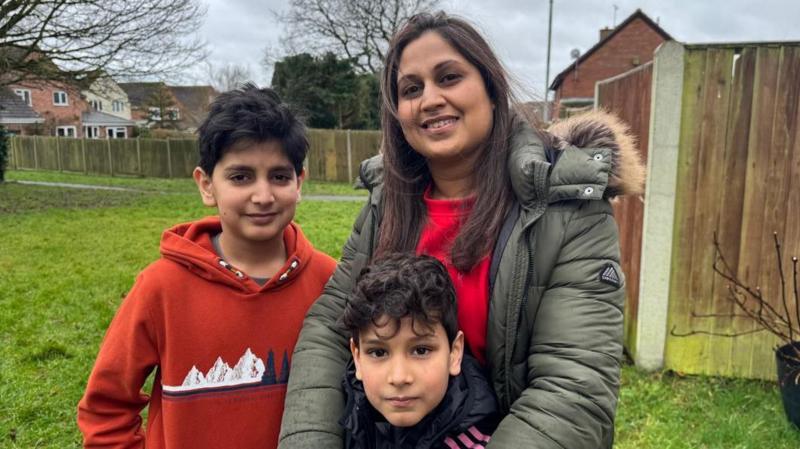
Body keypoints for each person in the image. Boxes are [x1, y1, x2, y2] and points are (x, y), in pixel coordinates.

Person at [279, 11, 645, 449]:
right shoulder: (385, 204)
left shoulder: (566, 208)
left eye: (449, 77)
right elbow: (330, 329)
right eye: (411, 89)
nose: (430, 99)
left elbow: (574, 387)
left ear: (491, 90)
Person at [77, 84, 337, 449]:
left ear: (299, 183)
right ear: (206, 185)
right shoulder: (160, 288)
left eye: (279, 176)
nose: (263, 196)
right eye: (240, 177)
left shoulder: (331, 283)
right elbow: (106, 408)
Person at [340, 253, 498, 449]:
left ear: (455, 353)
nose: (399, 377)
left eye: (421, 350)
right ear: (357, 358)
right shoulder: (340, 418)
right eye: (378, 353)